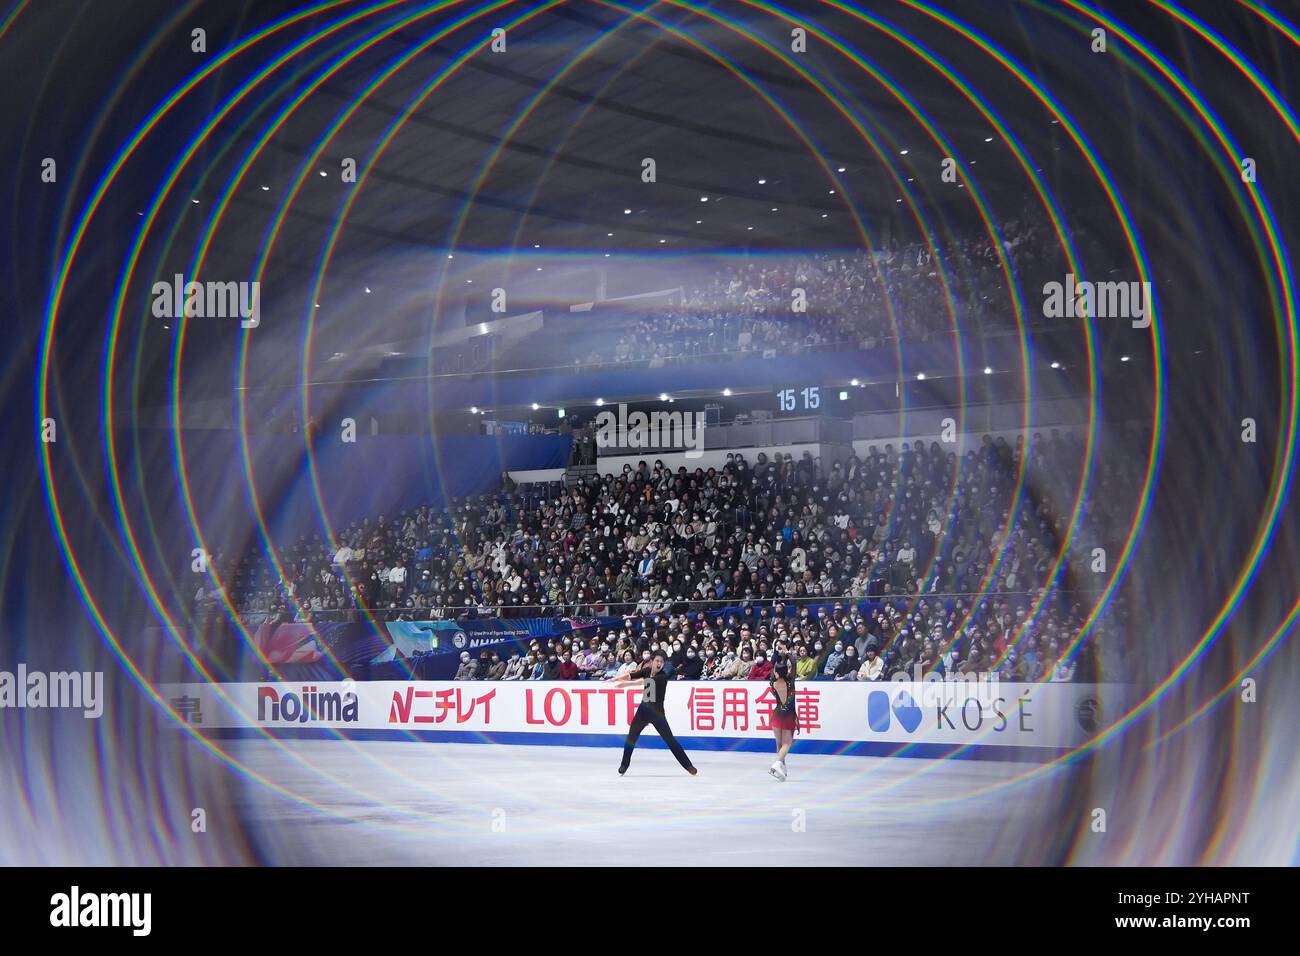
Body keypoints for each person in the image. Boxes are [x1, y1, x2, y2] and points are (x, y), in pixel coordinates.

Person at [607, 649, 698, 776]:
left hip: (657, 713)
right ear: (652, 662)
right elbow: (631, 675)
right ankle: (624, 765)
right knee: (631, 737)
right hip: (643, 710)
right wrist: (616, 678)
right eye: (657, 661)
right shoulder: (646, 671)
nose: (659, 663)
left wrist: (624, 685)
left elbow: (644, 682)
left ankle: (688, 766)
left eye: (661, 661)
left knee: (670, 740)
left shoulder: (663, 676)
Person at [767, 651, 798, 781]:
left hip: (777, 714)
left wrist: (781, 656)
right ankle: (777, 764)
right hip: (788, 715)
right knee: (787, 743)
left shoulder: (773, 683)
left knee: (779, 744)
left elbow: (776, 670)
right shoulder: (790, 682)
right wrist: (788, 654)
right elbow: (794, 664)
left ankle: (781, 769)